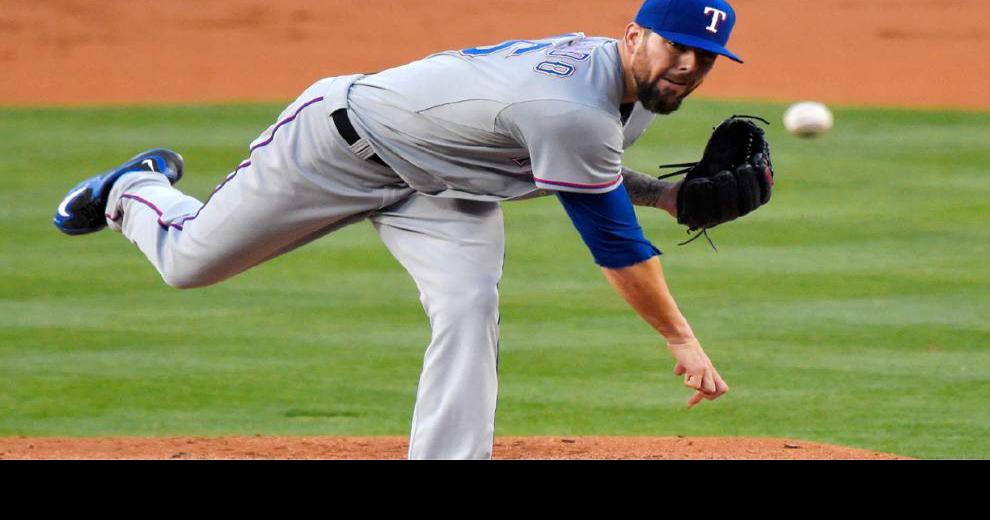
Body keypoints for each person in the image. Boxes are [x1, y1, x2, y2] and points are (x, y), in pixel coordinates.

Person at [53, 0, 750, 459]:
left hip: (443, 187)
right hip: (337, 148)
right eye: (674, 45)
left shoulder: (636, 97)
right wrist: (681, 340)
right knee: (186, 262)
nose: (687, 65)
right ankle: (135, 188)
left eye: (703, 55)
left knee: (470, 305)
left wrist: (663, 194)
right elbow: (614, 244)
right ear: (633, 35)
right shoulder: (572, 105)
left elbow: (562, 166)